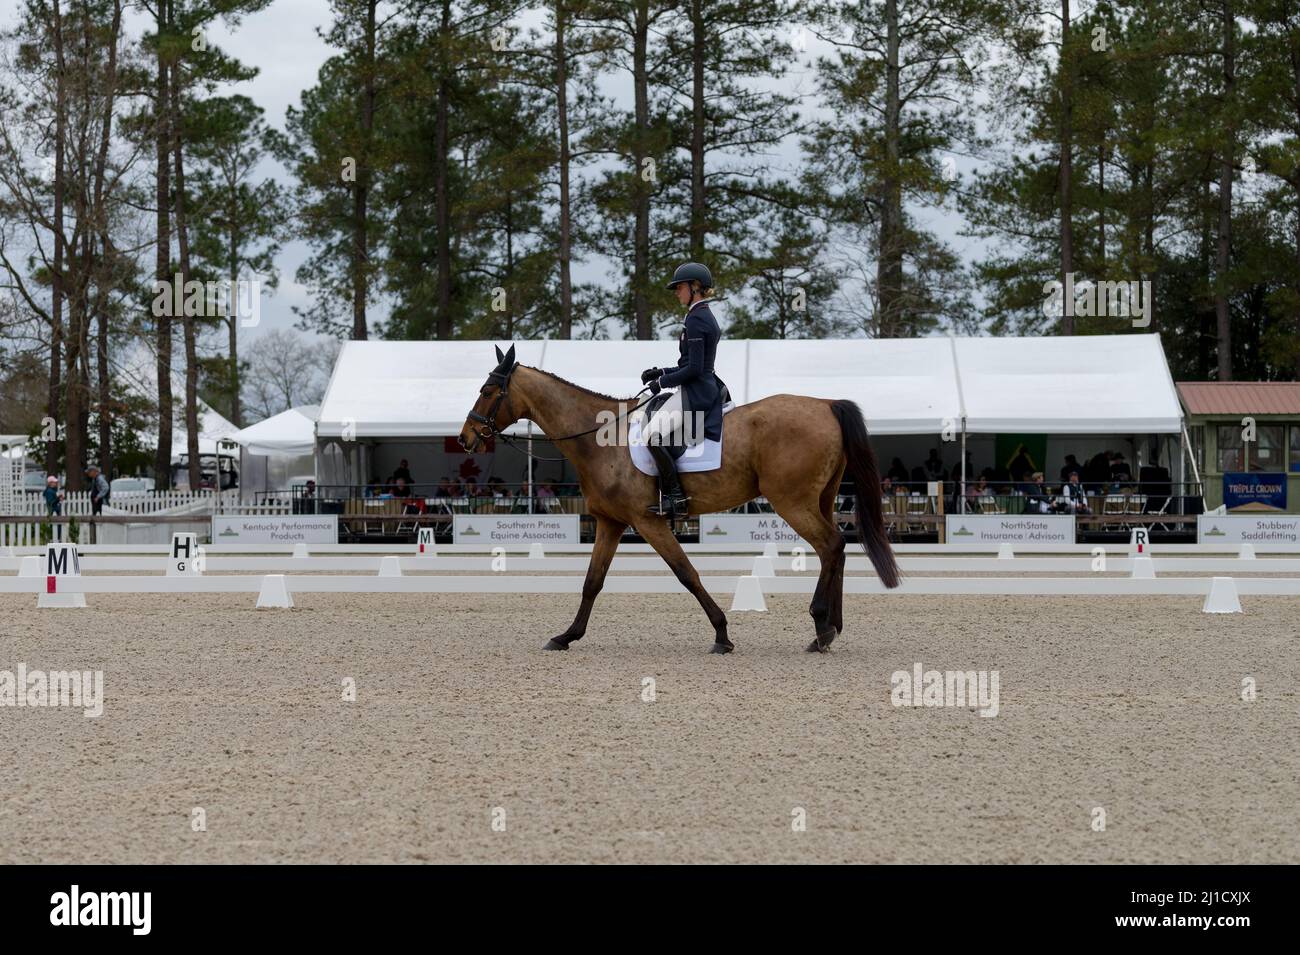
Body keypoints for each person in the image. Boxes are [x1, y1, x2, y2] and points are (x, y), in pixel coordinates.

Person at [639, 262, 727, 518]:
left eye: (679, 287)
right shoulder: (698, 315)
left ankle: (675, 496)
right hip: (697, 386)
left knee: (651, 435)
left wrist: (661, 384)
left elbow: (696, 369)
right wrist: (661, 372)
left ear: (695, 287)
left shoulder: (698, 318)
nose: (677, 292)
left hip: (697, 391)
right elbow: (688, 364)